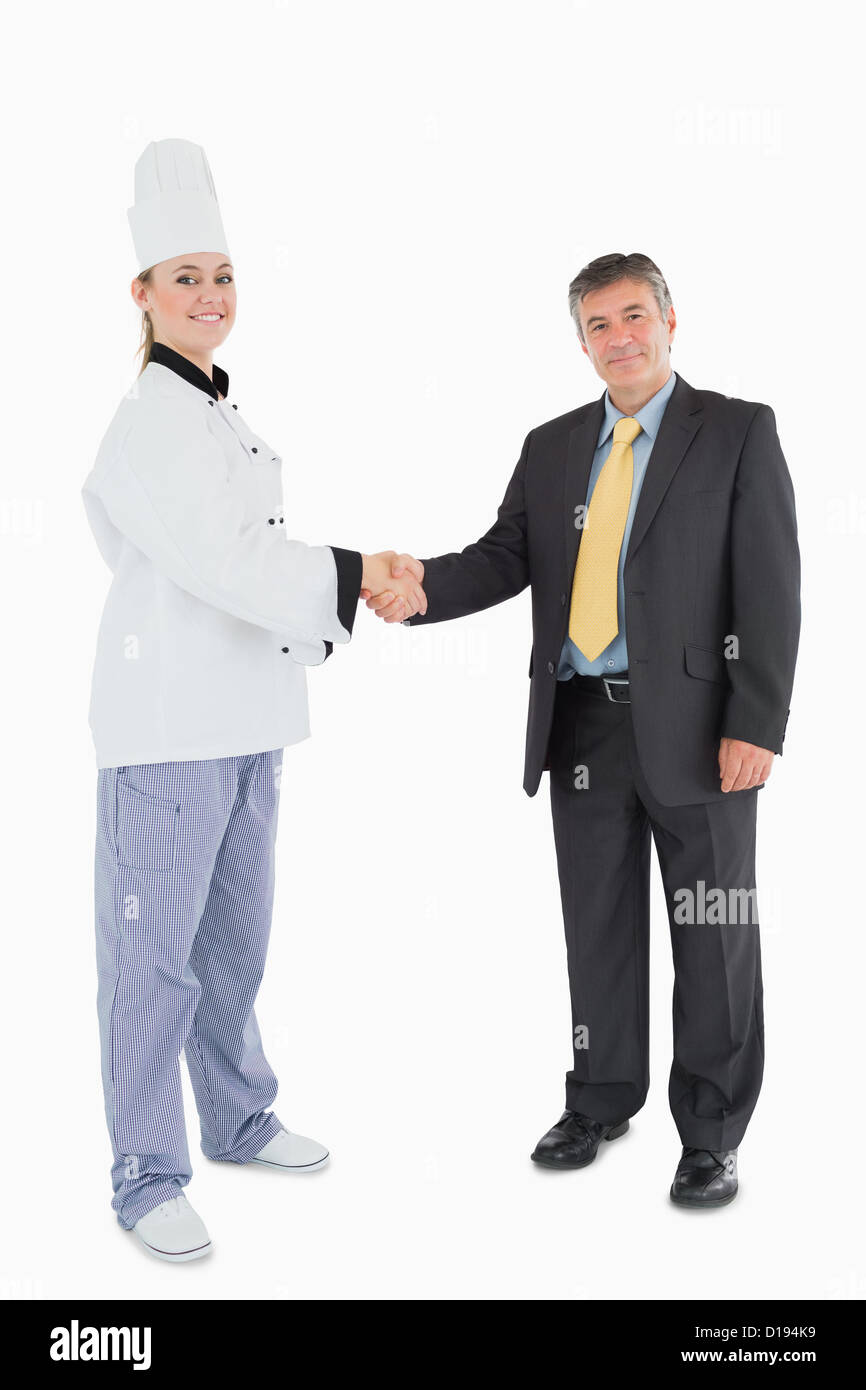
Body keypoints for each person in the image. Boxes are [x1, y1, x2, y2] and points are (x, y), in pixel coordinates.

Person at [365, 252, 801, 1208]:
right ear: (582, 341)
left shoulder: (734, 431)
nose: (620, 338)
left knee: (713, 933)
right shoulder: (554, 444)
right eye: (598, 325)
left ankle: (713, 1131)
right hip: (583, 731)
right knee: (596, 930)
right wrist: (418, 587)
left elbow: (770, 587)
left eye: (635, 315)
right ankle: (601, 1099)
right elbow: (504, 556)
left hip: (702, 734)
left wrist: (757, 721)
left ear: (672, 321)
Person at [82, 138, 426, 1262]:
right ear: (142, 293)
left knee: (232, 948)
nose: (209, 295)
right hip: (171, 734)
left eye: (223, 275)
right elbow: (224, 563)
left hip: (247, 724)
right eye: (185, 277)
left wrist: (333, 584)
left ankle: (234, 1116)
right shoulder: (152, 420)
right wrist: (353, 571)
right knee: (153, 964)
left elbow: (238, 562)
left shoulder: (223, 411)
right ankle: (145, 1171)